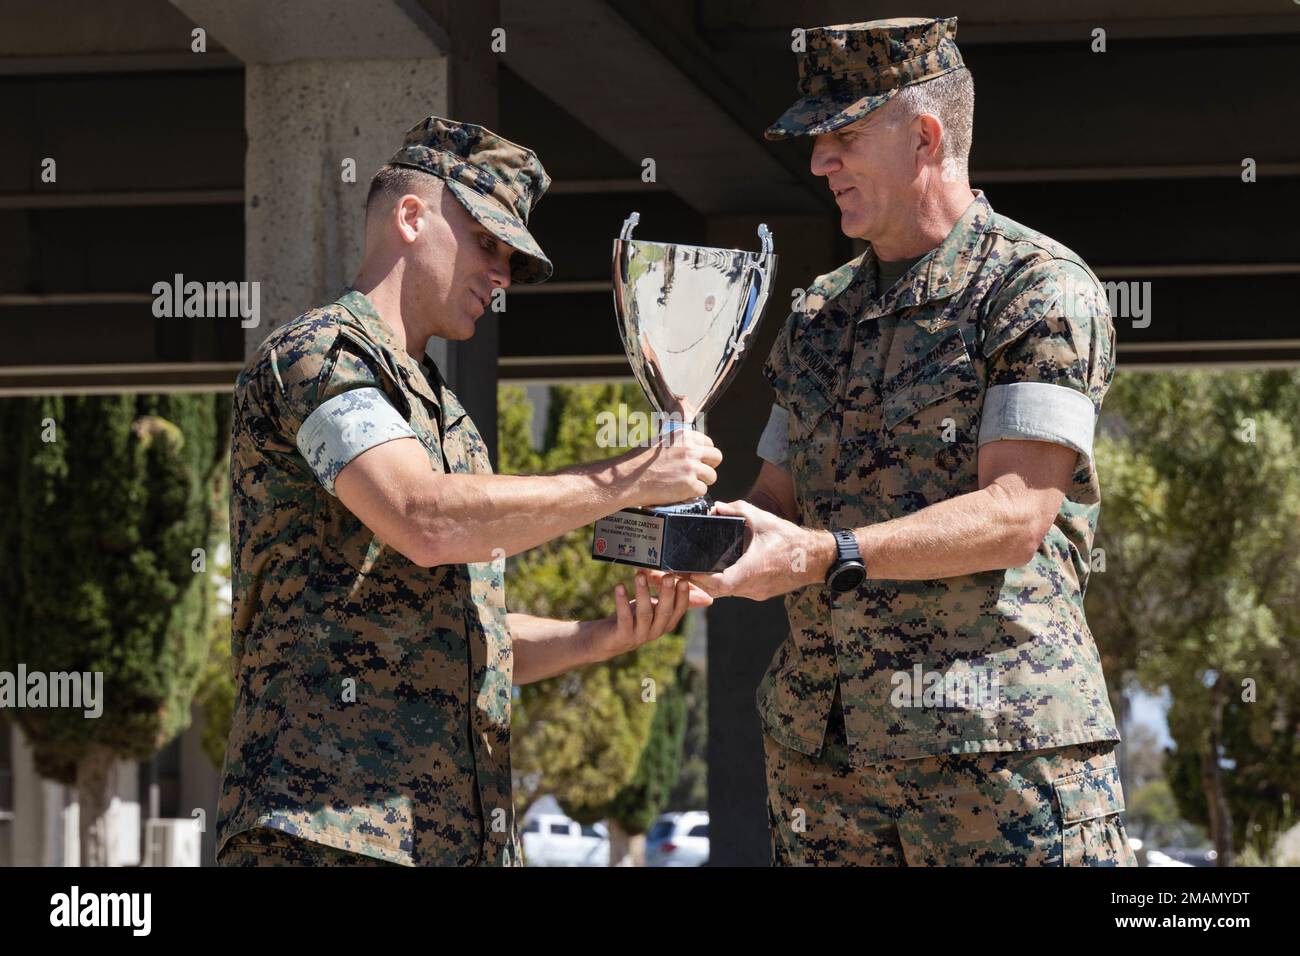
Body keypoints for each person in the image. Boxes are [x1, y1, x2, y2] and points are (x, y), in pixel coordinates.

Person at [687, 18, 1134, 866]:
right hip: (829, 774)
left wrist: (824, 554)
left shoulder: (1036, 289)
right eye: (819, 143)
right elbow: (778, 503)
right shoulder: (817, 315)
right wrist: (691, 534)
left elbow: (1017, 514)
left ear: (925, 138)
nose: (821, 164)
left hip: (996, 766)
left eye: (845, 137)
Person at [216, 116, 718, 866]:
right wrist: (628, 479)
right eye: (488, 242)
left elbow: (459, 631)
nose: (503, 274)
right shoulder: (316, 357)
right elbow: (421, 520)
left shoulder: (449, 419)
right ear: (411, 217)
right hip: (325, 829)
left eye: (514, 258)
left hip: (449, 834)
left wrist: (596, 639)